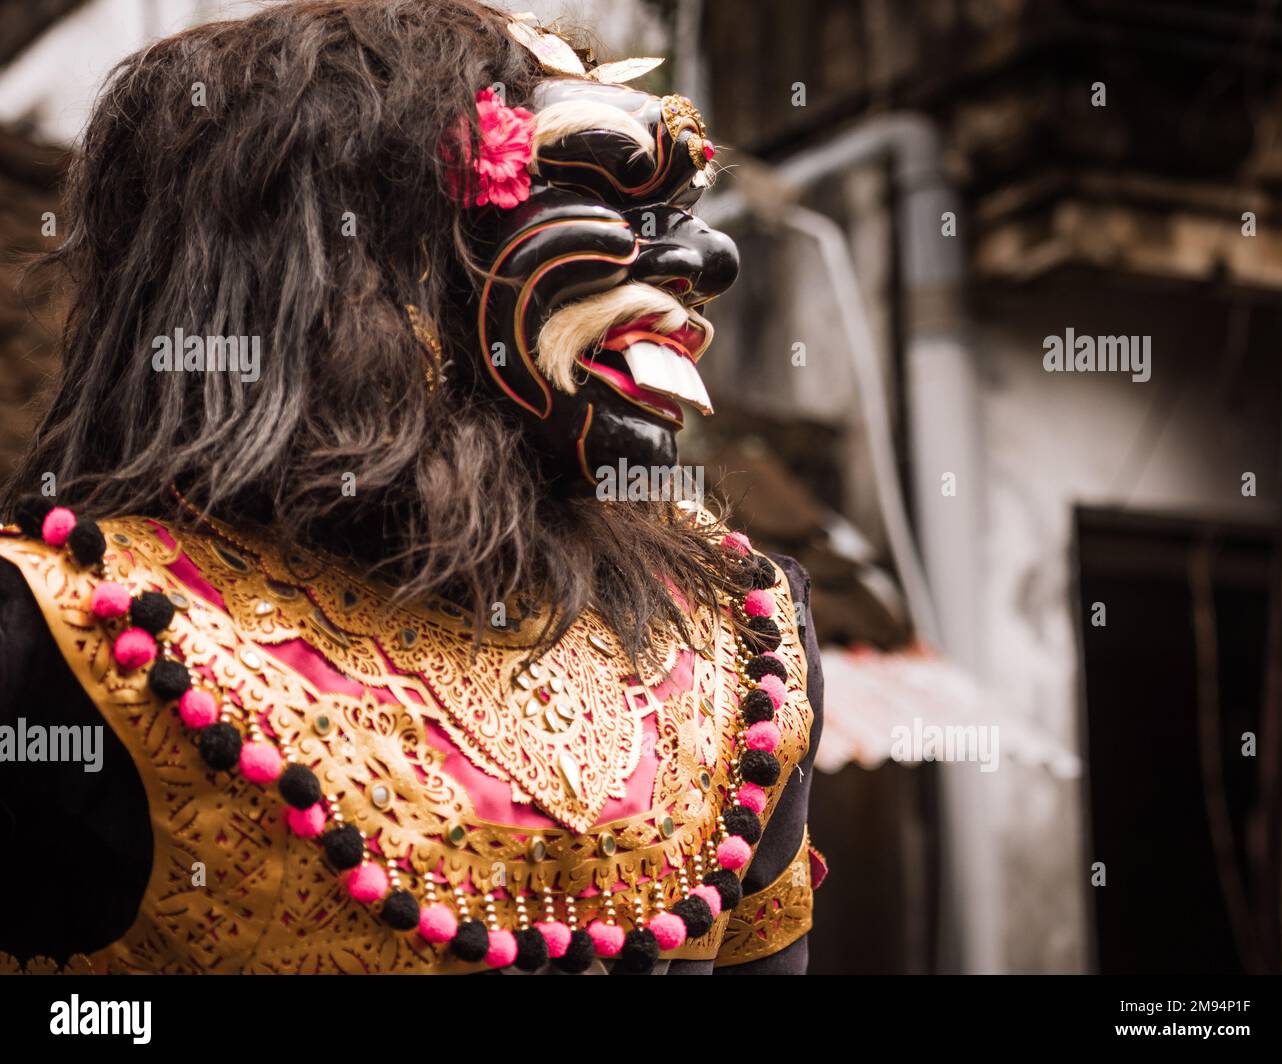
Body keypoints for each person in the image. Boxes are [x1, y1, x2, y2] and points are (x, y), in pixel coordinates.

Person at [0, 0, 823, 975]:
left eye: (672, 213)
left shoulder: (739, 640)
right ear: (366, 253)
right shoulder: (63, 636)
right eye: (592, 190)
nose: (704, 262)